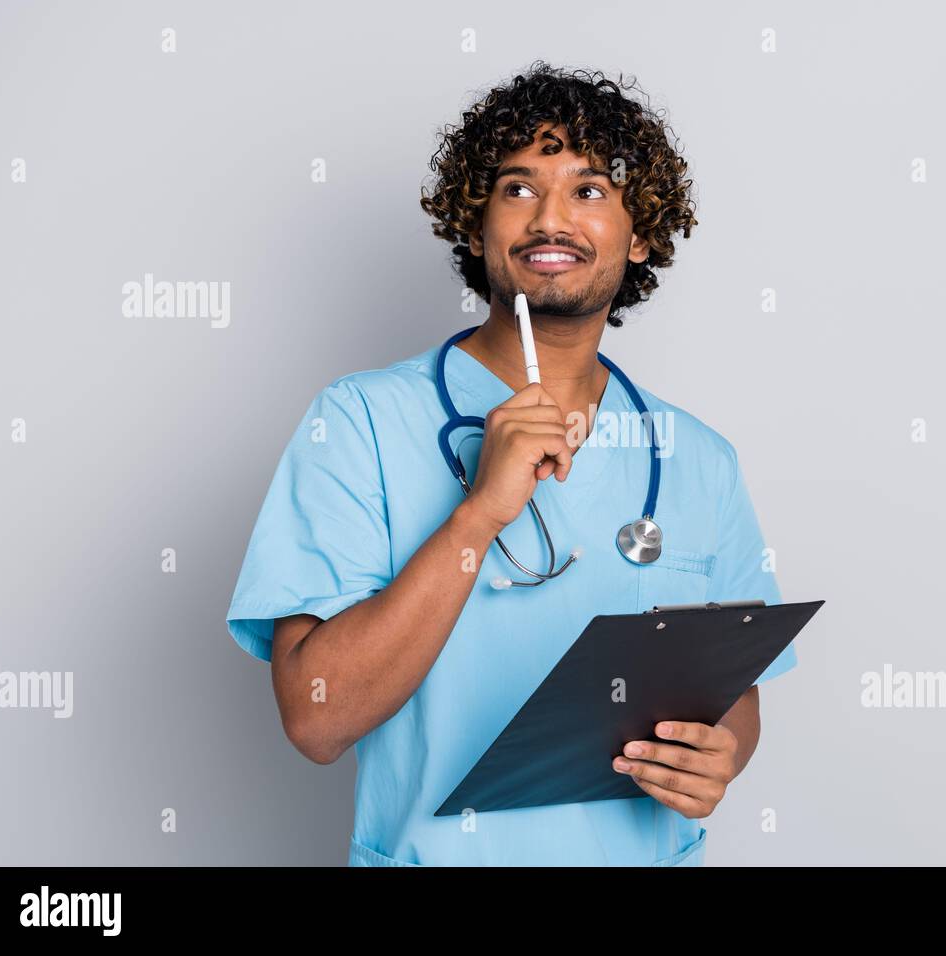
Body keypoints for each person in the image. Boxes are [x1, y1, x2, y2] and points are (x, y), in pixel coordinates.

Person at [225, 61, 798, 866]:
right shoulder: (358, 422)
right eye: (518, 188)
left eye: (590, 190)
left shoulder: (698, 459)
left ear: (640, 233)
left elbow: (732, 693)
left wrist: (719, 755)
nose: (551, 219)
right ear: (475, 224)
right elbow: (316, 720)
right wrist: (478, 514)